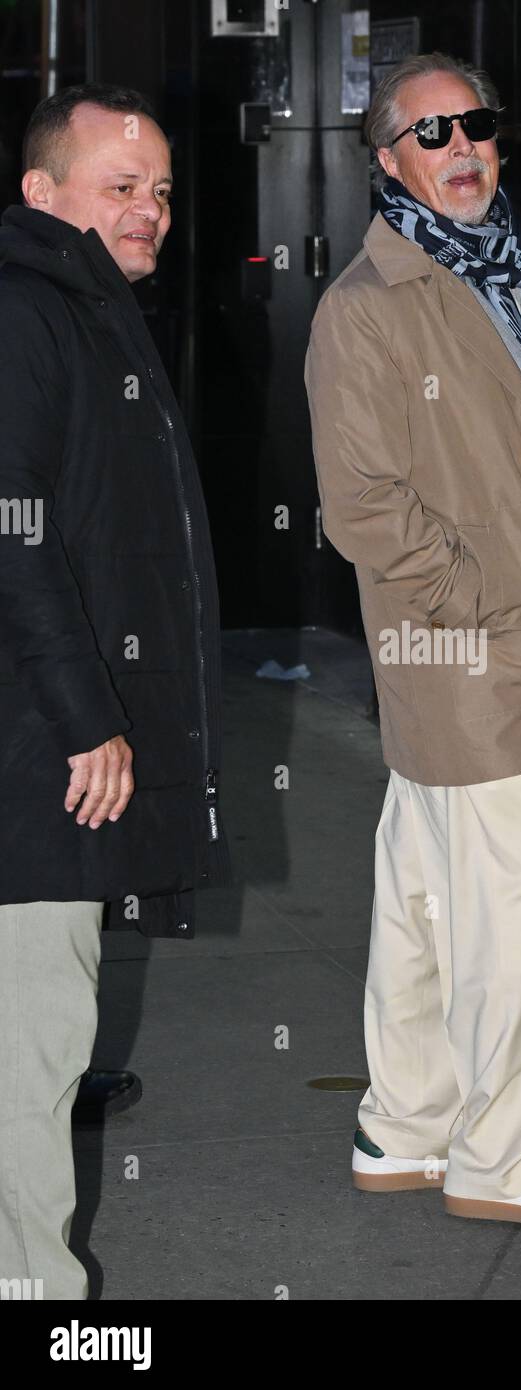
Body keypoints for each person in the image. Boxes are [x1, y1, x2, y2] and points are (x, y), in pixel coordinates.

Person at [305, 52, 521, 1225]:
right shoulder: (366, 307)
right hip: (465, 642)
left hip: (520, 618)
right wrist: (479, 601)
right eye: (429, 134)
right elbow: (362, 506)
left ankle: (403, 1126)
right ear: (387, 159)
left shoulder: (517, 264)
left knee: (428, 887)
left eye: (474, 126)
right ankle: (499, 1153)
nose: (459, 150)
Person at [0, 83, 229, 1299]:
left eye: (161, 191)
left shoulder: (83, 310)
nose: (149, 211)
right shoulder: (30, 310)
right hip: (35, 757)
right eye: (119, 187)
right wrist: (90, 713)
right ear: (43, 195)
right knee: (27, 1055)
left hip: (44, 747)